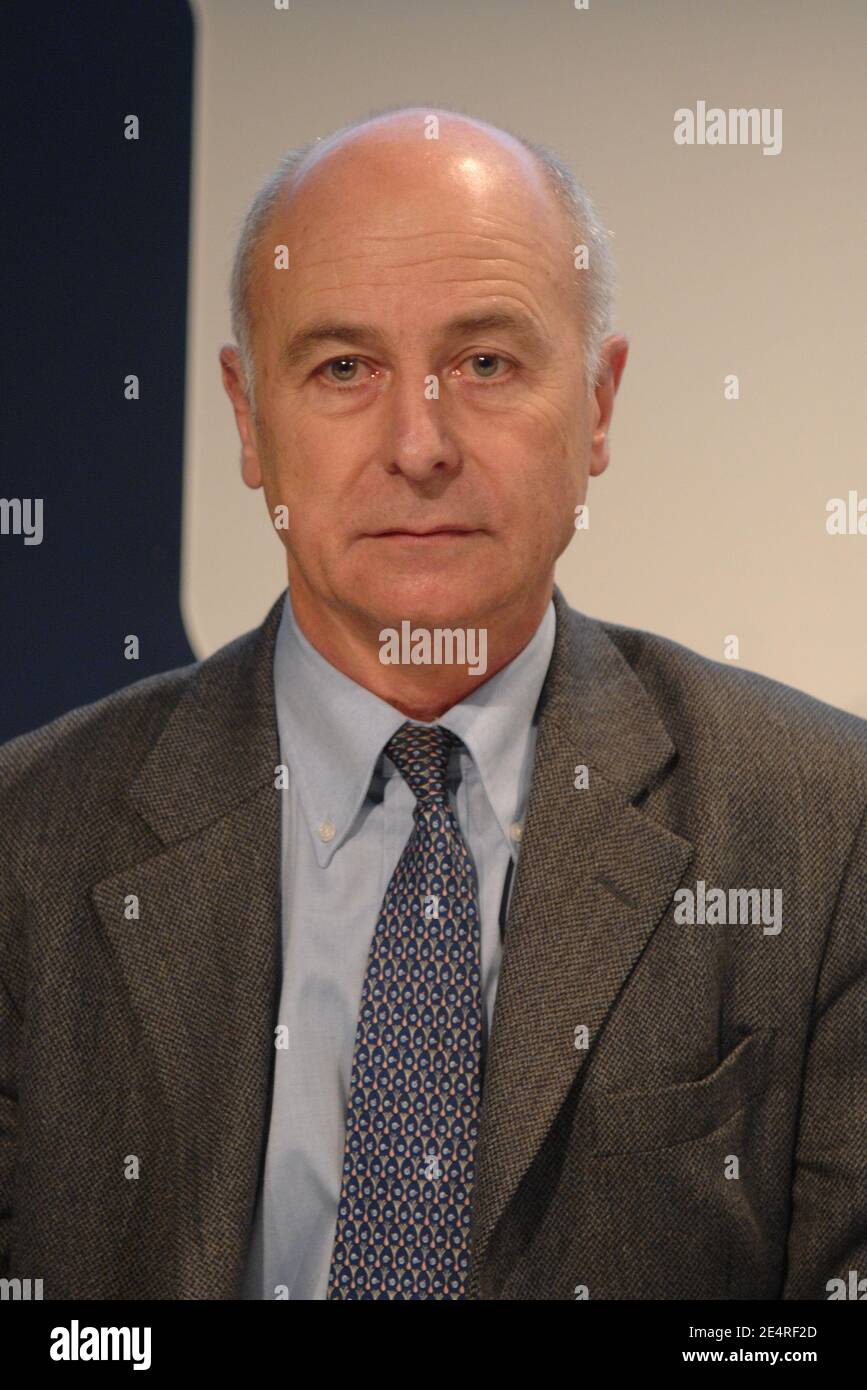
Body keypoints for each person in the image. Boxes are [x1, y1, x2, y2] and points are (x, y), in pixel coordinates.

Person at [1, 105, 864, 1301]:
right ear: (249, 418)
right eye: (343, 368)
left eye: (487, 363)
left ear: (600, 406)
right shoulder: (26, 839)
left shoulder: (828, 828)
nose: (420, 444)